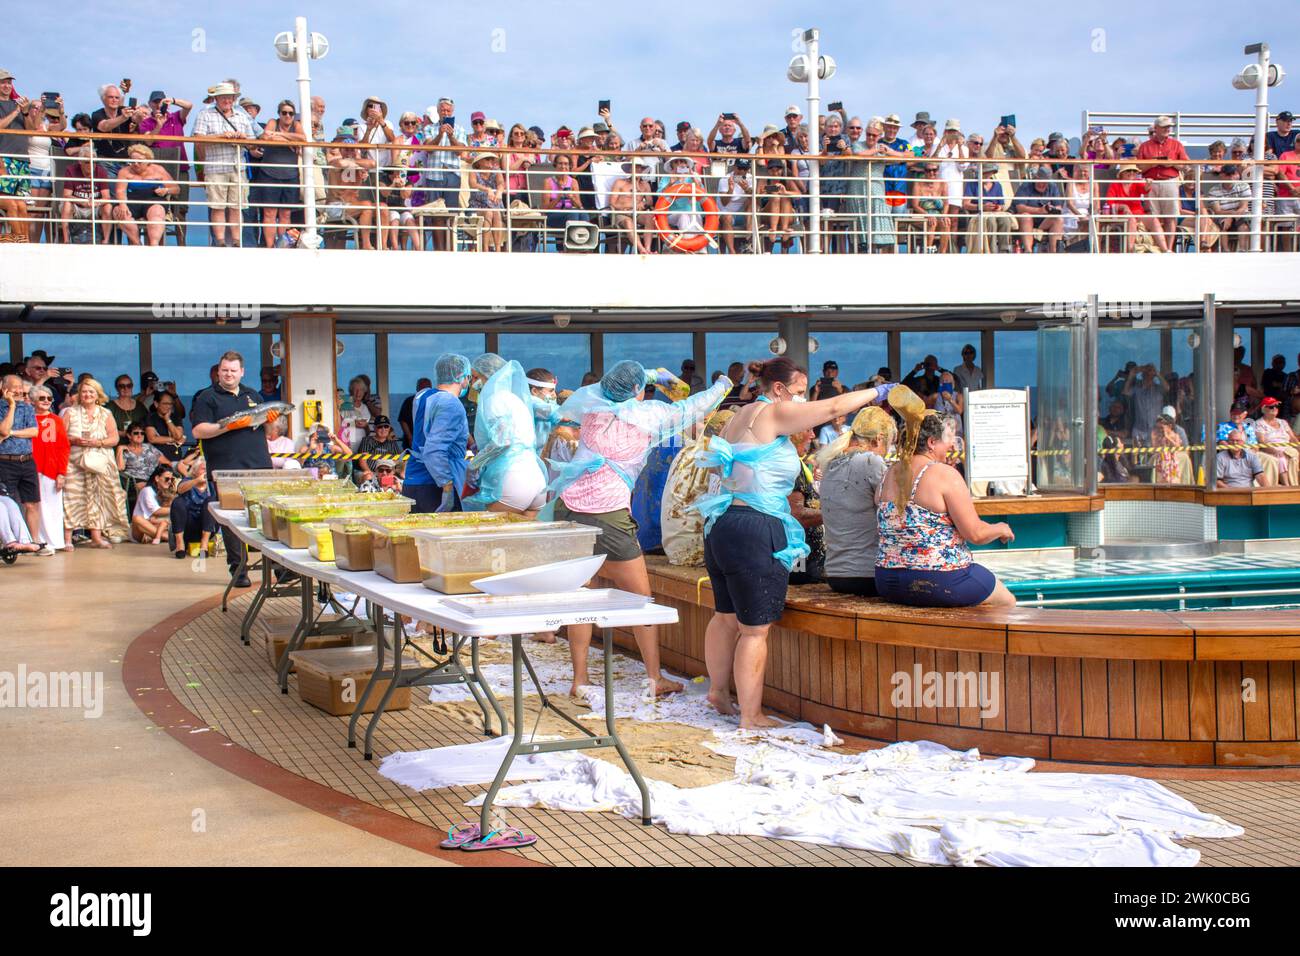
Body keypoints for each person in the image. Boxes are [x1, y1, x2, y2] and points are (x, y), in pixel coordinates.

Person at [696, 358, 895, 727]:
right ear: (779, 390)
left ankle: (719, 692)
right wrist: (879, 392)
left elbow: (716, 468)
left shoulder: (739, 416)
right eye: (800, 392)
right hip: (756, 527)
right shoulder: (772, 414)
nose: (803, 401)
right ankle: (751, 716)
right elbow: (834, 407)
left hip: (722, 524)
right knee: (754, 630)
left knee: (724, 616)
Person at [548, 360, 733, 698]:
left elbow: (619, 389)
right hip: (608, 513)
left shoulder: (592, 409)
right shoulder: (648, 416)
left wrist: (645, 377)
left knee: (580, 597)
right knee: (640, 601)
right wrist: (722, 386)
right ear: (637, 391)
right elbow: (692, 405)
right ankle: (654, 678)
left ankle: (579, 680)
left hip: (569, 507)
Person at [875, 405, 1016, 608]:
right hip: (939, 578)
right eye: (949, 438)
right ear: (932, 442)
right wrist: (1000, 528)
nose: (952, 445)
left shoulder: (889, 473)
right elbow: (975, 534)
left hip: (887, 580)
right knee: (1007, 602)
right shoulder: (943, 474)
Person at [190, 351, 278, 587]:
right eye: (225, 370)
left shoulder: (253, 395)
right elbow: (198, 431)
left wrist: (270, 419)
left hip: (259, 467)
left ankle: (280, 568)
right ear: (218, 371)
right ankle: (239, 571)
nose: (229, 374)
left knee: (269, 518)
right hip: (226, 470)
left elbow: (269, 432)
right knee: (232, 522)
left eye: (233, 370)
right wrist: (228, 426)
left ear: (242, 372)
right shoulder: (207, 398)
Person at [814, 406, 896, 596]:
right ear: (878, 440)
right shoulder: (870, 461)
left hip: (835, 573)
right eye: (888, 444)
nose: (886, 452)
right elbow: (893, 511)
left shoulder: (831, 464)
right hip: (867, 574)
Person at [463, 361, 549, 517]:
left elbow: (503, 440)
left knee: (493, 539)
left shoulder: (494, 399)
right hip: (536, 478)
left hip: (513, 479)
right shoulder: (515, 400)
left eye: (475, 376)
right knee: (527, 540)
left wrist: (474, 465)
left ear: (489, 375)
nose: (472, 383)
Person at [61, 377, 130, 548]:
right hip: (75, 463)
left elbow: (114, 438)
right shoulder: (70, 412)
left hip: (99, 462)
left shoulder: (106, 413)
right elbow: (61, 437)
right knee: (72, 498)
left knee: (97, 498)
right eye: (84, 391)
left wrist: (97, 443)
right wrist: (74, 440)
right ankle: (68, 539)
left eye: (91, 391)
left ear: (97, 394)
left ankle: (96, 537)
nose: (87, 395)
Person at [404, 353, 471, 513]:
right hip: (434, 486)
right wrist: (447, 487)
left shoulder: (422, 396)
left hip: (412, 481)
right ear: (462, 377)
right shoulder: (451, 403)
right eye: (468, 377)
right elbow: (434, 450)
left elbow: (428, 432)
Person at [192, 82, 257, 247]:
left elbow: (253, 144)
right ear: (216, 98)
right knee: (217, 206)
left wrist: (243, 138)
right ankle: (220, 241)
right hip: (215, 166)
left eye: (230, 97)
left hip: (237, 167)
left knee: (237, 206)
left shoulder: (242, 117)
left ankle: (236, 241)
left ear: (234, 98)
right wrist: (221, 136)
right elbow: (198, 139)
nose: (227, 100)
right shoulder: (205, 114)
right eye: (223, 97)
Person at [0, 374, 49, 552]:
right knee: (7, 501)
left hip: (26, 460)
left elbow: (34, 431)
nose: (20, 390)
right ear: (4, 388)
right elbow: (2, 429)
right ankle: (10, 542)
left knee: (32, 503)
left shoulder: (27, 408)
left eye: (21, 387)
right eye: (15, 387)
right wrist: (11, 406)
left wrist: (11, 433)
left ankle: (32, 542)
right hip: (6, 461)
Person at [29, 384, 70, 552]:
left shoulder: (56, 420)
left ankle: (54, 542)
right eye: (41, 398)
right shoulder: (27, 418)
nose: (46, 401)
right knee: (33, 506)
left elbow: (63, 447)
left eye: (49, 398)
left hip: (51, 468)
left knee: (51, 506)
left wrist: (62, 473)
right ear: (32, 401)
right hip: (30, 466)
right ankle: (36, 541)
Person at [170, 455, 217, 558]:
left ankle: (204, 545)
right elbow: (180, 489)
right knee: (178, 502)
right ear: (195, 471)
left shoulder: (212, 484)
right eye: (203, 469)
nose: (206, 472)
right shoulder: (188, 480)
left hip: (207, 527)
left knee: (210, 502)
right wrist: (196, 481)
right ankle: (180, 544)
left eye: (208, 470)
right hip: (188, 526)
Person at [1255, 397, 1300, 486]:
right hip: (1271, 449)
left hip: (1287, 448)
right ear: (1264, 409)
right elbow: (1262, 442)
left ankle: (1295, 484)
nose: (1275, 408)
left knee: (1294, 455)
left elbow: (1292, 438)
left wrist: (1298, 446)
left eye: (1276, 406)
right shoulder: (1259, 423)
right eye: (1271, 407)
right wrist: (1274, 451)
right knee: (1281, 457)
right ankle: (1288, 486)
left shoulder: (1283, 422)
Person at [353, 415, 403, 487]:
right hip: (369, 472)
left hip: (386, 473)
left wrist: (389, 473)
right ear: (375, 428)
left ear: (389, 428)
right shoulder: (367, 440)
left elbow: (397, 461)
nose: (383, 429)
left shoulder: (392, 443)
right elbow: (362, 462)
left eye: (386, 426)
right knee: (368, 478)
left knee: (397, 481)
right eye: (380, 427)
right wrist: (372, 474)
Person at [130, 465, 174, 544]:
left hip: (160, 526)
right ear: (157, 478)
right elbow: (156, 511)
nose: (170, 481)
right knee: (136, 518)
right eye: (167, 479)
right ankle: (167, 537)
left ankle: (163, 536)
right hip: (143, 529)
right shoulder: (147, 491)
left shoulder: (168, 491)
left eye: (172, 479)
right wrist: (176, 509)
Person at [397, 377, 432, 447]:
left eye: (426, 387)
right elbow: (403, 420)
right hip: (412, 443)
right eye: (422, 387)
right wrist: (410, 438)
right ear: (417, 388)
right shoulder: (409, 401)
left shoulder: (435, 402)